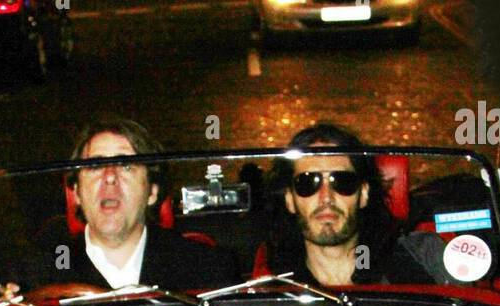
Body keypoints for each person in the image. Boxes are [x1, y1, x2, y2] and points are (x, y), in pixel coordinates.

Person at [50, 118, 237, 291]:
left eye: (126, 165)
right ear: (76, 192)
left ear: (152, 192)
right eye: (95, 165)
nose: (109, 177)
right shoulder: (42, 272)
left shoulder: (205, 265)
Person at [269, 122, 452, 289]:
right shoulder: (275, 288)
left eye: (342, 181)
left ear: (363, 194)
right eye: (307, 183)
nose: (326, 197)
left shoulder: (419, 258)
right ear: (289, 200)